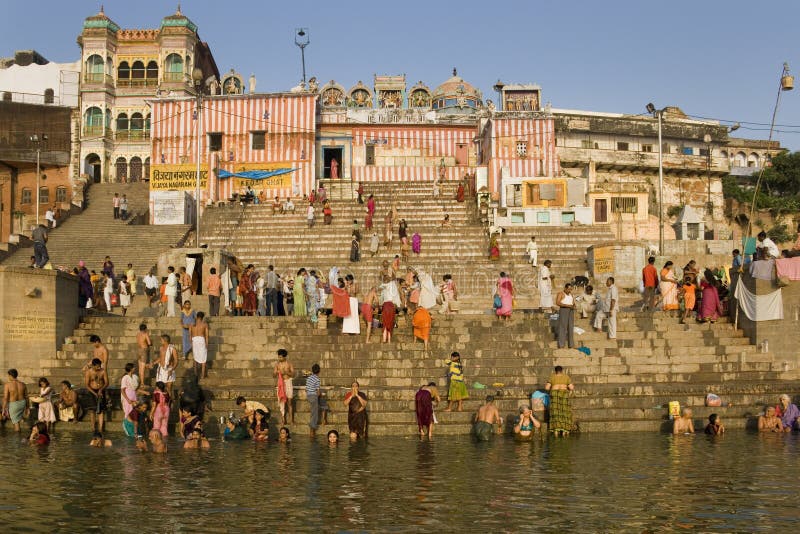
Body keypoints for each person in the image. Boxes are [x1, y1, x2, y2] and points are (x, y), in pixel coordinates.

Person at [545, 366, 575, 435]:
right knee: (564, 411)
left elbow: (547, 388)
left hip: (555, 394)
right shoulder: (566, 377)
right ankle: (564, 430)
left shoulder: (552, 377)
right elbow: (571, 387)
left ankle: (556, 430)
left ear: (555, 371)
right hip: (564, 394)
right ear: (562, 371)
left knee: (555, 411)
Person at [84, 358, 108, 433]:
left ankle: (100, 428)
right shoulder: (88, 372)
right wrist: (94, 393)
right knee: (92, 410)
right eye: (97, 366)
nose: (99, 367)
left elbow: (107, 383)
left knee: (101, 411)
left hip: (101, 391)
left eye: (99, 366)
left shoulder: (103, 371)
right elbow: (87, 385)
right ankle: (93, 428)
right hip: (92, 391)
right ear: (93, 366)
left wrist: (101, 390)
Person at [274, 349, 295, 424]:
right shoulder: (277, 365)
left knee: (289, 402)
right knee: (281, 402)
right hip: (280, 384)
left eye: (281, 357)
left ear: (285, 357)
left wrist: (286, 372)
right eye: (278, 357)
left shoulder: (289, 364)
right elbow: (273, 375)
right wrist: (277, 372)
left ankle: (291, 419)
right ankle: (283, 419)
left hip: (288, 382)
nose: (279, 358)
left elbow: (293, 374)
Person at [555, 284, 576, 349]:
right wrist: (567, 306)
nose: (569, 291)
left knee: (570, 327)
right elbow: (557, 303)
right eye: (569, 289)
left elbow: (573, 302)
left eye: (571, 289)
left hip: (571, 311)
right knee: (563, 327)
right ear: (565, 288)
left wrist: (574, 306)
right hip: (564, 310)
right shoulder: (560, 293)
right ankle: (561, 345)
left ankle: (571, 345)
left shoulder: (571, 295)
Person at [306, 364, 321, 437]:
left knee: (313, 412)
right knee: (314, 414)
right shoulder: (317, 379)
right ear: (319, 371)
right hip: (314, 396)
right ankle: (312, 430)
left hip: (308, 396)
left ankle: (312, 428)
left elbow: (307, 389)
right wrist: (319, 395)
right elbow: (318, 392)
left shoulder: (309, 378)